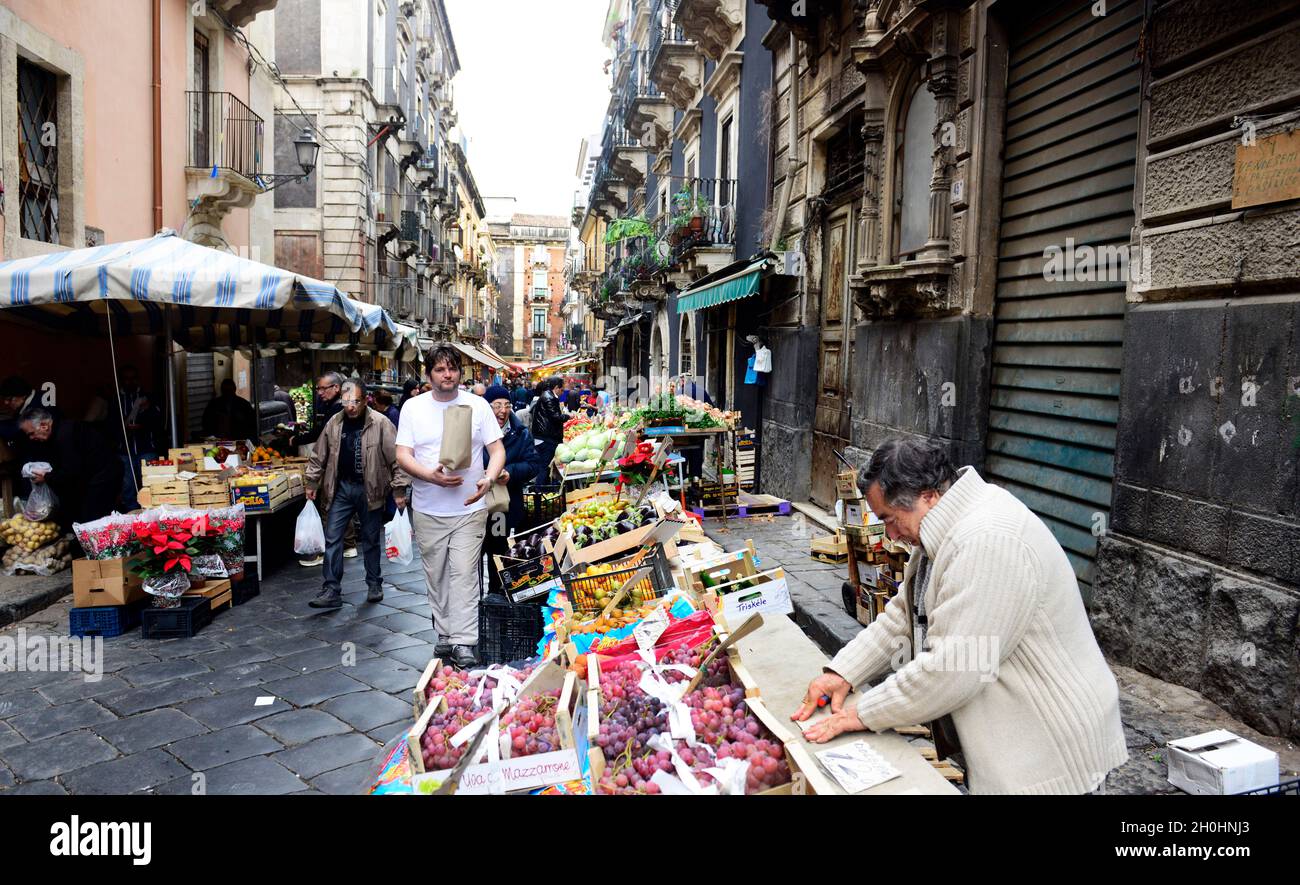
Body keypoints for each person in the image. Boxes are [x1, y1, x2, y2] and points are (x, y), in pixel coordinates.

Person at [792, 436, 1127, 794]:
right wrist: (843, 672)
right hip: (1014, 750)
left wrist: (862, 713)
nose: (890, 533)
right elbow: (903, 616)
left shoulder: (987, 542)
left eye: (889, 519)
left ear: (926, 494)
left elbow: (952, 670)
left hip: (1052, 756)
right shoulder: (943, 529)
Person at [396, 345, 506, 668]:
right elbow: (403, 455)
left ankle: (464, 641)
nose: (448, 375)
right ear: (429, 375)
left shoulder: (478, 406)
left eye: (453, 369)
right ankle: (445, 635)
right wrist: (429, 476)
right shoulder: (413, 409)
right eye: (441, 370)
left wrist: (488, 477)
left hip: (470, 509)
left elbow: (496, 450)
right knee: (437, 575)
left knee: (464, 574)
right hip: (428, 510)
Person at [304, 380, 409, 609]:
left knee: (371, 539)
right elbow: (319, 453)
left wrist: (399, 489)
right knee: (332, 537)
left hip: (369, 489)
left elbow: (397, 459)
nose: (351, 406)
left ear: (365, 400)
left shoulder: (381, 423)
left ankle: (374, 583)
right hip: (341, 488)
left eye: (356, 401)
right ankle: (331, 589)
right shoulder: (334, 422)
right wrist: (312, 480)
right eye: (346, 401)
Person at [16, 407, 124, 530]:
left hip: (102, 478)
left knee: (94, 521)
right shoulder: (62, 429)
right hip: (100, 475)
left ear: (44, 426)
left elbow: (71, 471)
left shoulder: (65, 435)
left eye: (31, 433)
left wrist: (46, 477)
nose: (31, 438)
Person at [481, 385, 540, 596]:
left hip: (501, 506)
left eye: (506, 405)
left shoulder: (520, 432)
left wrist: (510, 473)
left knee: (498, 547)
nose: (502, 410)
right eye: (496, 405)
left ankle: (495, 592)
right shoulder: (475, 431)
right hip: (475, 503)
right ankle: (472, 594)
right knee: (473, 550)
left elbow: (533, 464)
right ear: (487, 408)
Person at [292, 373, 350, 566]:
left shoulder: (336, 409)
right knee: (341, 503)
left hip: (333, 464)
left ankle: (325, 551)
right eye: (318, 389)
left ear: (336, 388)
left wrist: (313, 478)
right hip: (341, 464)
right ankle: (348, 545)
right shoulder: (339, 406)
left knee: (329, 505)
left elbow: (322, 440)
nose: (320, 393)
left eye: (323, 388)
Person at [529, 375, 564, 474]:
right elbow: (555, 417)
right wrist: (567, 416)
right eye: (561, 390)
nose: (562, 393)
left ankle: (540, 487)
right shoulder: (550, 397)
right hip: (546, 438)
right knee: (544, 466)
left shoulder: (546, 395)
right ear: (556, 387)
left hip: (543, 436)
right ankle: (540, 488)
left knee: (543, 465)